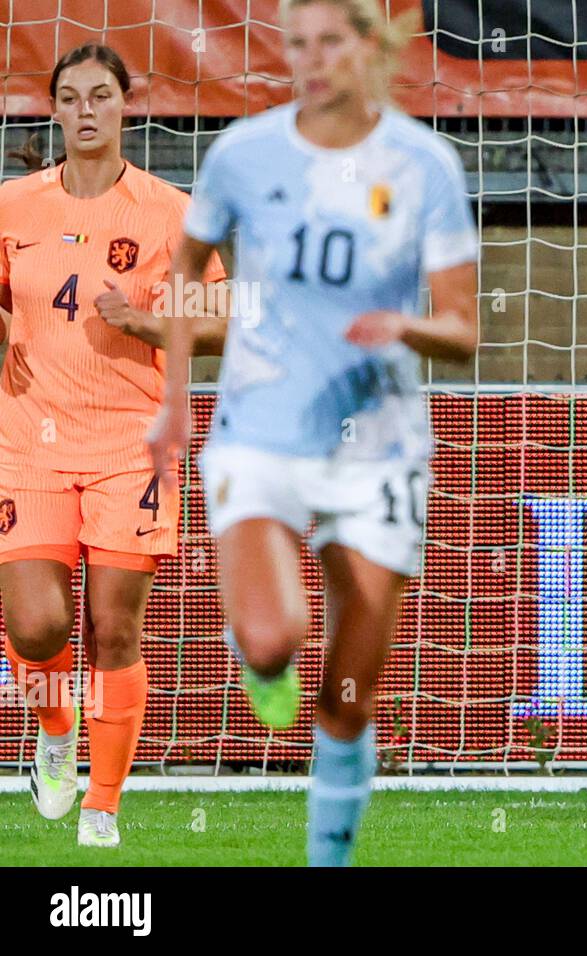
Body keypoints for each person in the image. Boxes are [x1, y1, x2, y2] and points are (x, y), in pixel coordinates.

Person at [148, 0, 478, 866]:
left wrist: (401, 328)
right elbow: (185, 272)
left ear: (373, 46)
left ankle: (326, 855)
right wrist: (177, 398)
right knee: (272, 640)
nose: (313, 60)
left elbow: (464, 330)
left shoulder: (423, 166)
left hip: (376, 439)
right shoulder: (243, 156)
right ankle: (261, 656)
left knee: (348, 693)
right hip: (257, 430)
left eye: (332, 41)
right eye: (298, 44)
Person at [0, 43, 227, 848]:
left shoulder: (170, 212)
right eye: (71, 97)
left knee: (115, 631)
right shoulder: (11, 206)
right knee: (34, 626)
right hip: (28, 438)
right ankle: (53, 727)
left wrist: (149, 322)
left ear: (126, 105)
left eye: (102, 94)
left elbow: (229, 320)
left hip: (132, 446)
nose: (87, 109)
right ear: (54, 111)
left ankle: (102, 804)